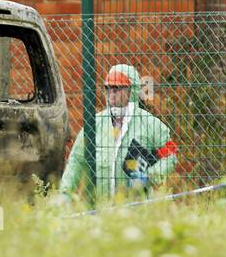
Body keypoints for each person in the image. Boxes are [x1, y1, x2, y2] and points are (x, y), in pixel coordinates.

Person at [60, 63, 177, 199]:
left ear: (131, 90)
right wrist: (65, 193)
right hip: (99, 207)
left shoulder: (150, 124)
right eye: (109, 88)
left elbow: (170, 154)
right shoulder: (94, 124)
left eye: (118, 88)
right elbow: (76, 160)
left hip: (136, 207)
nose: (112, 93)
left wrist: (150, 175)